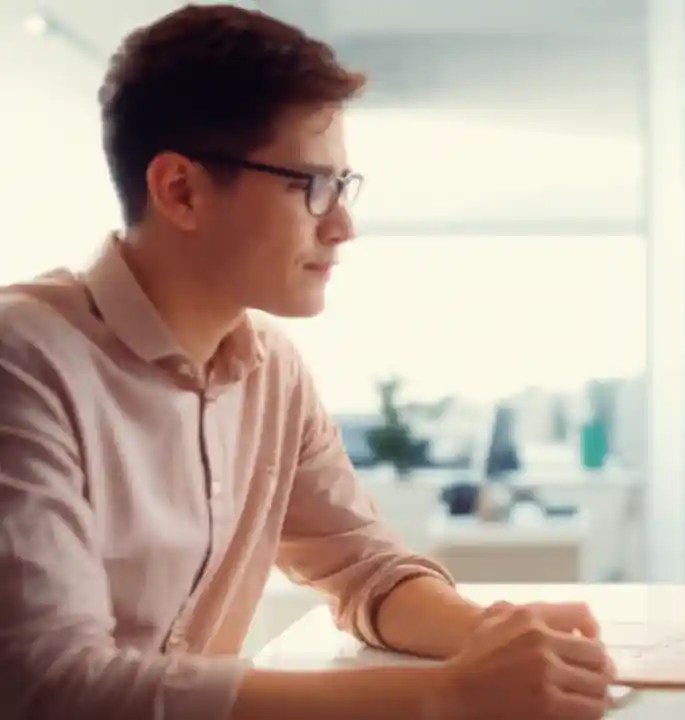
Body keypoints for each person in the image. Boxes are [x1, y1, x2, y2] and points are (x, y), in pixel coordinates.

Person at [0, 6, 614, 720]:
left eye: (343, 187)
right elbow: (52, 687)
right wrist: (444, 696)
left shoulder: (271, 371)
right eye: (309, 185)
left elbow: (366, 566)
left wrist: (500, 643)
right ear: (181, 191)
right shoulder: (26, 363)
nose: (343, 225)